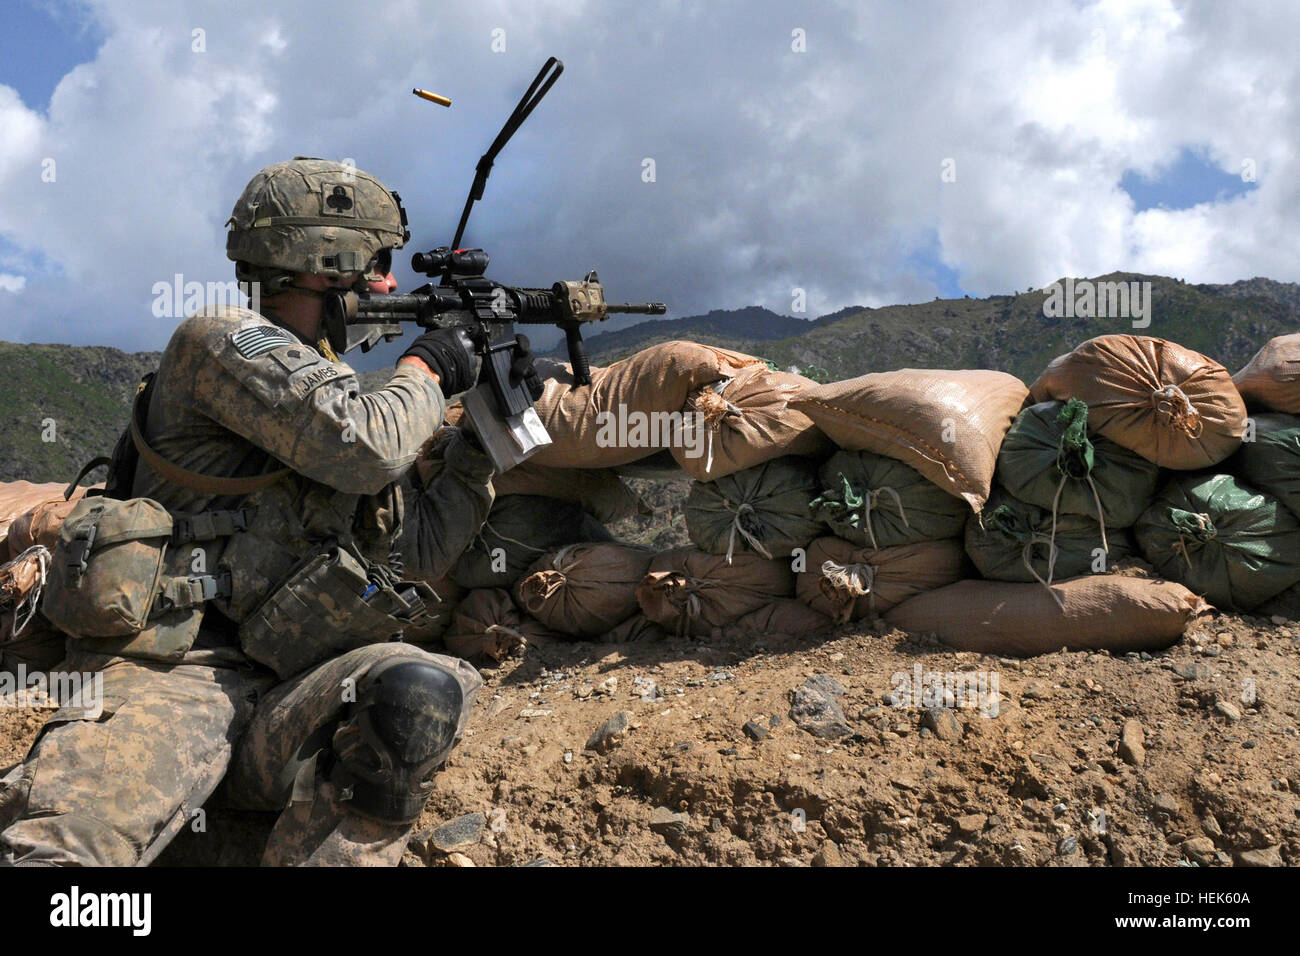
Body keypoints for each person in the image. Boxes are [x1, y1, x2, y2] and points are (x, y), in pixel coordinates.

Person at [0, 158, 510, 866]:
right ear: (317, 261)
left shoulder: (337, 392)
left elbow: (417, 553)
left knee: (417, 690)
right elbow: (368, 445)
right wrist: (428, 368)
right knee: (61, 865)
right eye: (377, 262)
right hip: (172, 675)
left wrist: (491, 432)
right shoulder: (220, 340)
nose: (391, 284)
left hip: (290, 689)